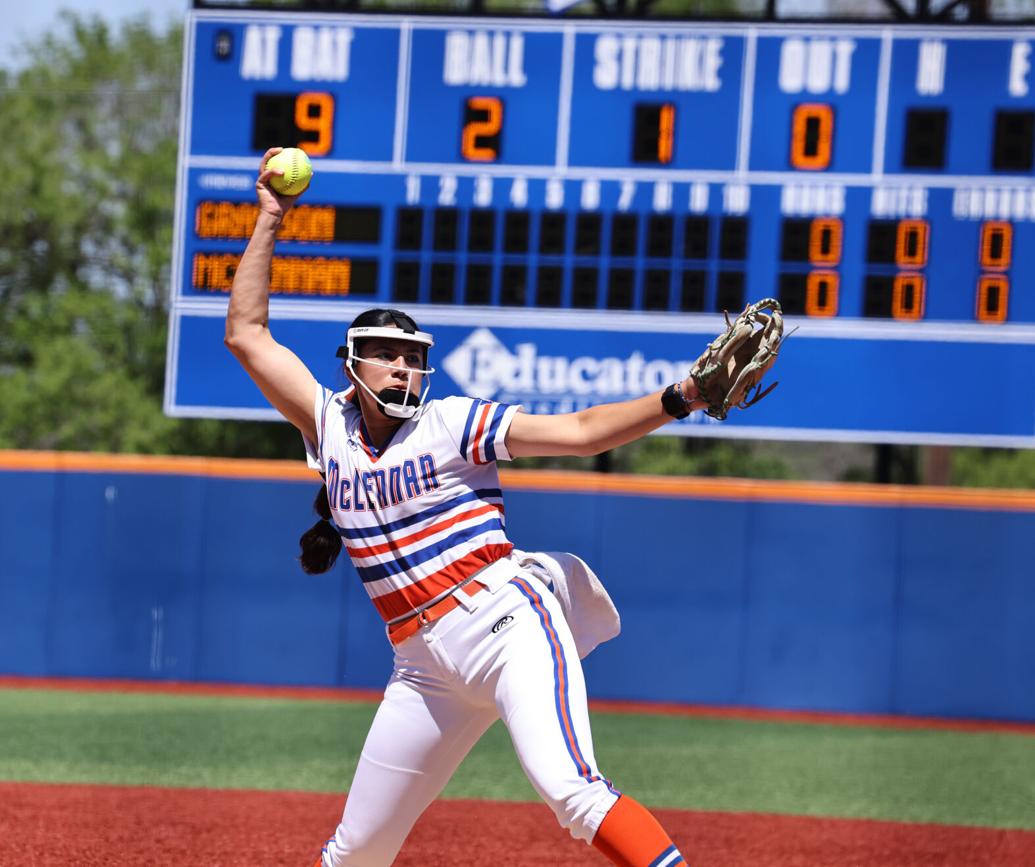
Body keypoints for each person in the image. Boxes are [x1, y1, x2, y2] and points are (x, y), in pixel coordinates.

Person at [226, 148, 707, 867]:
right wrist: (270, 217)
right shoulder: (326, 425)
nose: (401, 366)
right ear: (351, 364)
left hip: (504, 622)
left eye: (411, 354)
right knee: (355, 851)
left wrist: (679, 398)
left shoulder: (450, 422)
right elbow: (246, 334)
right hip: (420, 665)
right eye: (384, 353)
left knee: (571, 791)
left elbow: (577, 432)